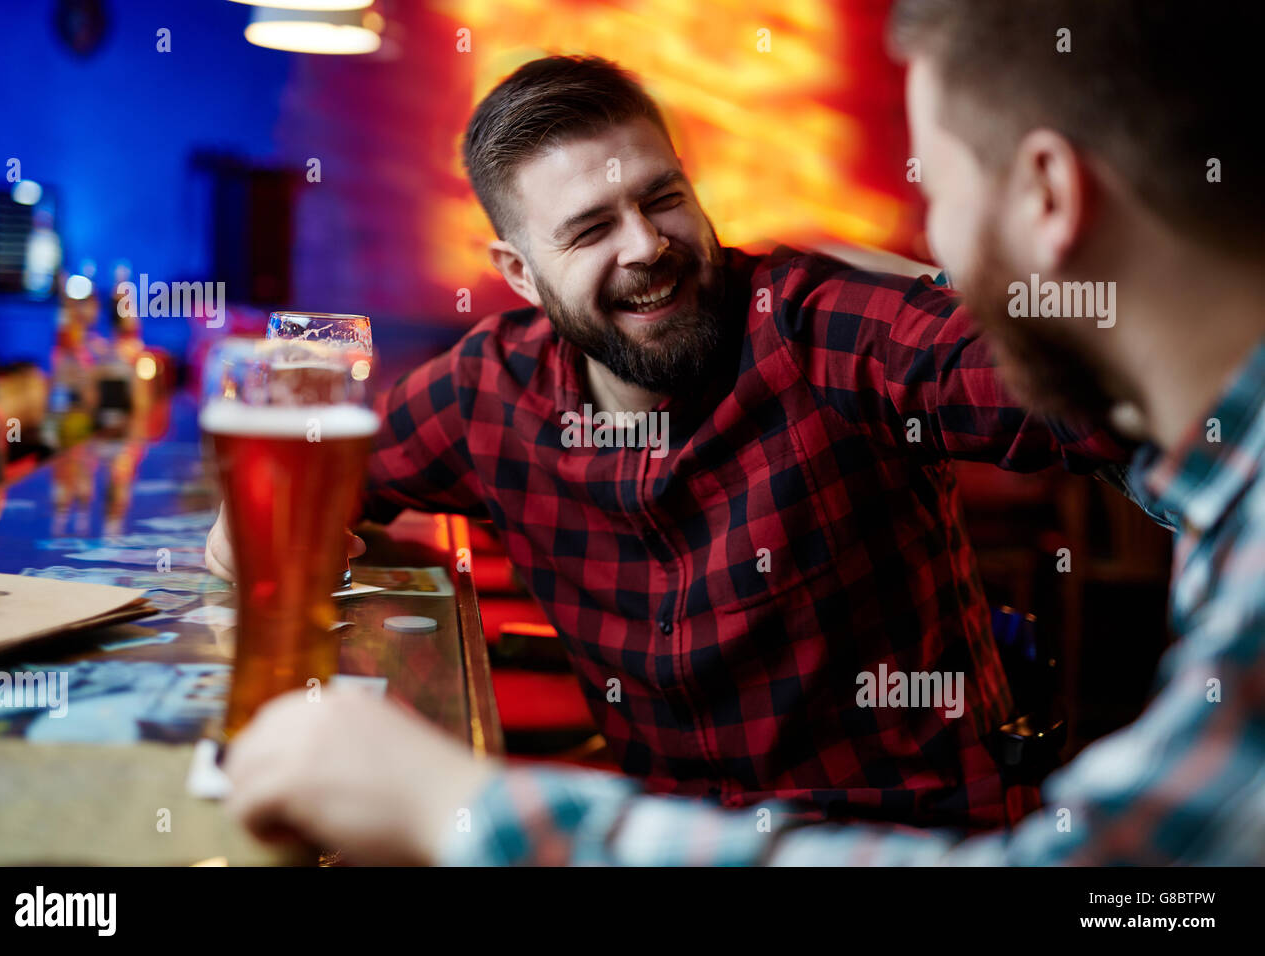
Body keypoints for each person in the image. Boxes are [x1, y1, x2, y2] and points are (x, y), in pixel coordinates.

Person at [214, 46, 1137, 847]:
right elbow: (327, 473)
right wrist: (259, 523)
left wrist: (966, 282)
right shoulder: (488, 391)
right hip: (649, 848)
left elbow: (1101, 395)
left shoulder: (820, 325)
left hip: (915, 848)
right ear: (519, 275)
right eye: (589, 230)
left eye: (663, 198)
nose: (648, 246)